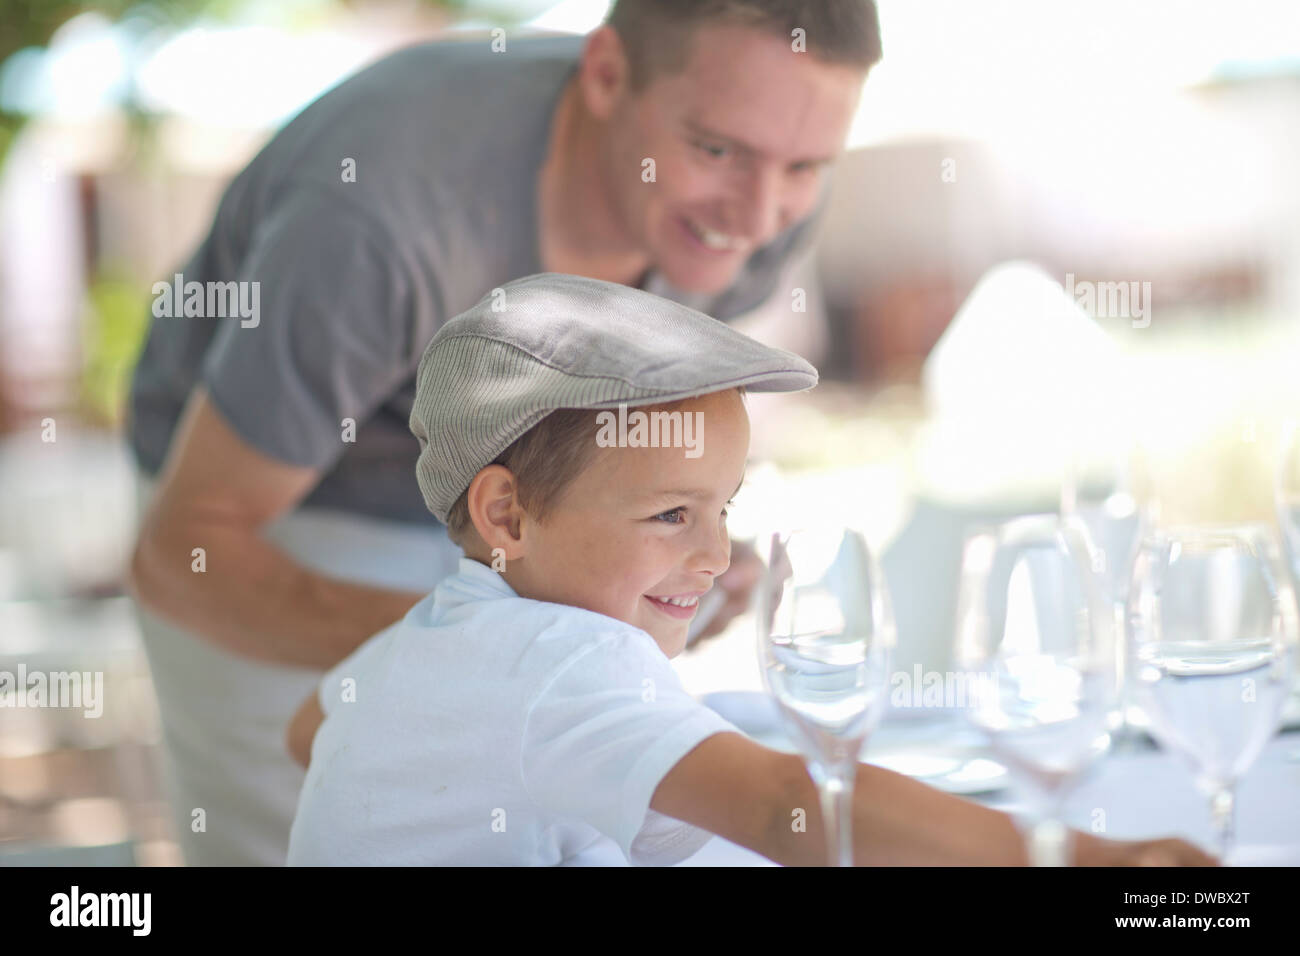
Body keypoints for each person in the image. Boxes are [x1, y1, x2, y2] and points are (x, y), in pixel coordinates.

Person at [125, 1, 883, 865]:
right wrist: (489, 654)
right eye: (715, 150)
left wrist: (663, 528)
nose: (756, 220)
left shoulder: (759, 197)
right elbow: (181, 555)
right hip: (281, 509)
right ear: (604, 75)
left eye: (805, 167)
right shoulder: (378, 220)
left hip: (511, 506)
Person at [283, 273, 1215, 867]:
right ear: (505, 514)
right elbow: (783, 811)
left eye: (722, 508)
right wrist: (1096, 864)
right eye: (670, 514)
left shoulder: (442, 636)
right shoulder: (562, 659)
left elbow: (307, 728)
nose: (716, 553)